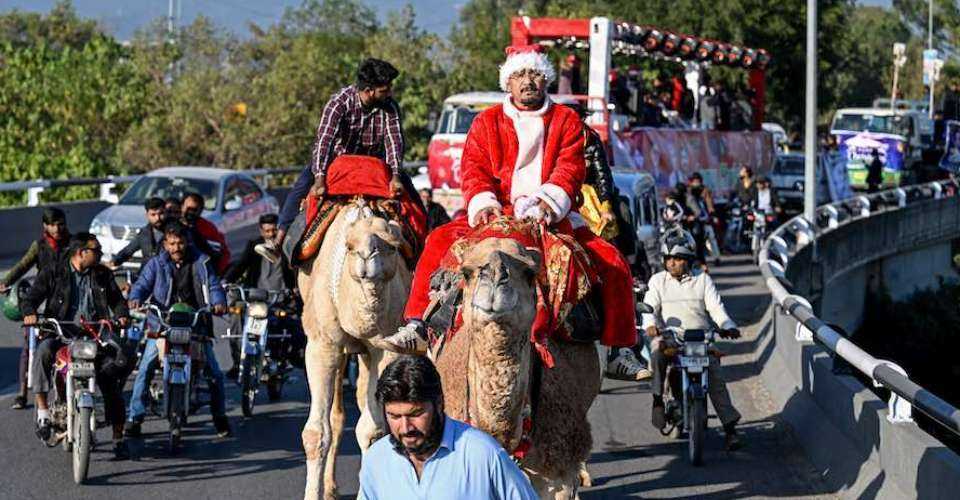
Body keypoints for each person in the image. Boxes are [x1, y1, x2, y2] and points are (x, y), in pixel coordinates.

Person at [383, 45, 638, 374]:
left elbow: (570, 168)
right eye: (519, 75)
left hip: (551, 217)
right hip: (496, 213)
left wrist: (549, 202)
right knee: (436, 242)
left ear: (545, 79)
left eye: (534, 74)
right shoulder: (486, 122)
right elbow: (473, 170)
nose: (527, 81)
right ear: (508, 82)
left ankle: (620, 350)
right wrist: (484, 202)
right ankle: (418, 325)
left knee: (613, 261)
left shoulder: (567, 120)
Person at [266, 58, 419, 262]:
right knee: (300, 189)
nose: (390, 92)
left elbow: (394, 141)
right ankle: (278, 241)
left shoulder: (389, 106)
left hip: (373, 163)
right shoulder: (339, 103)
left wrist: (396, 175)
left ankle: (424, 248)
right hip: (337, 161)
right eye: (385, 89)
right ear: (369, 90)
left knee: (413, 201)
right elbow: (324, 141)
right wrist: (319, 178)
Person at [358, 355, 538, 500]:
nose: (405, 428)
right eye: (395, 416)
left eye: (415, 414)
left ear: (438, 404)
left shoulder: (482, 455)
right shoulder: (376, 459)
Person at [20, 232, 131, 458]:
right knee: (42, 352)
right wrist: (30, 313)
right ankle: (42, 411)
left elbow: (118, 302)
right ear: (82, 253)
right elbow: (30, 298)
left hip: (94, 335)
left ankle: (119, 437)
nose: (100, 255)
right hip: (60, 333)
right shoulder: (54, 272)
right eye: (96, 251)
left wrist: (121, 315)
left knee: (112, 373)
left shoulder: (103, 275)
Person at [125, 222, 232, 438]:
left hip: (195, 324)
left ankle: (220, 418)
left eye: (180, 243)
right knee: (145, 369)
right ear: (165, 244)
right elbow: (142, 284)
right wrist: (135, 298)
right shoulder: (156, 264)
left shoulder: (202, 262)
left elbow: (213, 286)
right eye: (172, 243)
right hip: (162, 325)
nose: (176, 248)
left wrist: (219, 302)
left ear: (187, 242)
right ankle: (135, 418)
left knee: (215, 374)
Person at [641, 228, 743, 451]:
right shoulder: (658, 281)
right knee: (657, 352)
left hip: (701, 339)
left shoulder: (703, 280)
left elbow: (717, 309)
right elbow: (649, 307)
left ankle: (730, 429)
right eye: (668, 259)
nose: (672, 263)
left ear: (688, 259)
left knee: (715, 378)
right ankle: (658, 399)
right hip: (670, 337)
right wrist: (650, 325)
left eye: (677, 259)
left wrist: (728, 327)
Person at [1, 207, 70, 410]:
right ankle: (22, 393)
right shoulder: (39, 246)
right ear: (45, 226)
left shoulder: (73, 244)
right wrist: (6, 281)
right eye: (52, 224)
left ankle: (67, 389)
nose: (57, 228)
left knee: (66, 341)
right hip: (41, 296)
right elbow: (22, 266)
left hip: (64, 299)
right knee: (29, 343)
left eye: (60, 224)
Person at [223, 213, 298, 378]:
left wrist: (295, 288)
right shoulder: (254, 246)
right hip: (255, 298)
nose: (271, 234)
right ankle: (238, 361)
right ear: (261, 232)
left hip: (280, 298)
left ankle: (287, 358)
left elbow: (297, 270)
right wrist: (226, 281)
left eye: (274, 230)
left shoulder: (287, 246)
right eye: (267, 231)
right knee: (236, 314)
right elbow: (240, 265)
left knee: (292, 326)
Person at [180, 192, 231, 275]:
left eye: (195, 210)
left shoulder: (208, 228)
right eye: (188, 208)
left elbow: (221, 254)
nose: (191, 213)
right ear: (182, 207)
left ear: (201, 211)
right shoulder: (174, 224)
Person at [109, 197, 167, 268]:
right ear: (147, 215)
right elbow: (128, 250)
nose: (157, 218)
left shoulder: (173, 231)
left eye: (161, 213)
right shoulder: (144, 234)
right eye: (153, 214)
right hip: (147, 273)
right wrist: (114, 261)